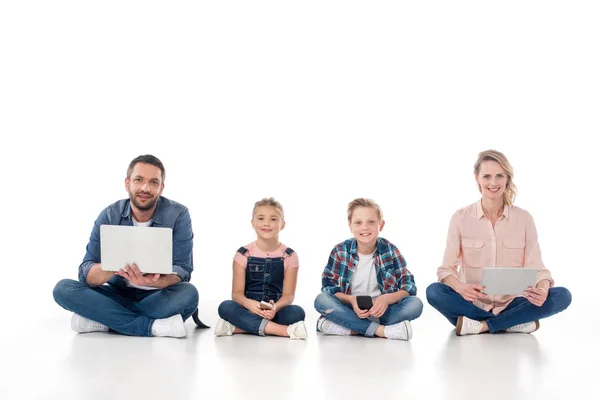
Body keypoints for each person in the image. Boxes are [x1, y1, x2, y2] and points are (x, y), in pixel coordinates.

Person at [53, 154, 202, 338]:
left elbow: (183, 270)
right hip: (118, 293)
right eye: (139, 180)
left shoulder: (179, 215)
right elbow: (86, 272)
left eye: (153, 182)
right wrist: (111, 268)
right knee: (63, 288)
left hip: (159, 296)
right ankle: (152, 327)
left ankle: (104, 321)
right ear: (127, 183)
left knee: (188, 294)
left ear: (161, 188)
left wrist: (154, 281)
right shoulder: (109, 215)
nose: (145, 188)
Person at [426, 150, 572, 336]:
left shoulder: (524, 219)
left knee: (562, 295)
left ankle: (482, 326)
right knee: (434, 291)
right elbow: (446, 270)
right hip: (471, 304)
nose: (493, 183)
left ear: (507, 179)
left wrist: (542, 288)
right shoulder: (460, 218)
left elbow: (537, 267)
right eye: (487, 176)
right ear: (477, 178)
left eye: (499, 176)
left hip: (513, 303)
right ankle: (512, 322)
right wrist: (461, 288)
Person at [314, 198, 423, 340]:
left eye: (371, 222)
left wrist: (387, 299)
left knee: (415, 304)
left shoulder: (390, 250)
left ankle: (352, 328)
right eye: (358, 222)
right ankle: (380, 330)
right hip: (351, 309)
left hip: (383, 311)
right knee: (321, 300)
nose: (365, 227)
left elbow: (409, 286)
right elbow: (328, 288)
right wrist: (352, 300)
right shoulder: (340, 251)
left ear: (381, 225)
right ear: (350, 226)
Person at [215, 198, 307, 339]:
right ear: (253, 223)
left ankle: (237, 327)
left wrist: (275, 307)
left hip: (274, 309)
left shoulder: (290, 256)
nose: (266, 223)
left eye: (273, 219)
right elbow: (237, 294)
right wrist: (250, 304)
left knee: (297, 313)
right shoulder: (243, 254)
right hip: (249, 308)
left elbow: (288, 295)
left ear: (283, 225)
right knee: (225, 307)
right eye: (261, 218)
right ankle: (284, 331)